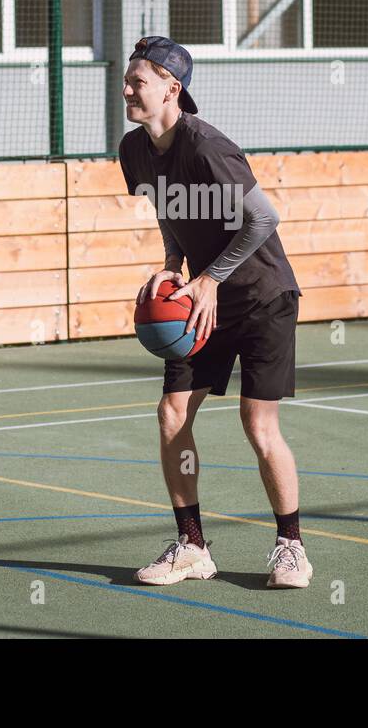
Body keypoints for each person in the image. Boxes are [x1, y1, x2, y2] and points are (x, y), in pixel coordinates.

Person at [117, 35, 312, 589]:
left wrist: (209, 279)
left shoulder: (207, 147)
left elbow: (263, 220)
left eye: (138, 81)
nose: (127, 89)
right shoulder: (134, 150)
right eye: (127, 80)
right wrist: (174, 265)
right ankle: (192, 547)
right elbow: (167, 210)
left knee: (258, 424)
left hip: (260, 297)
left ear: (171, 88)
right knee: (172, 413)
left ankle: (291, 547)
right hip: (203, 298)